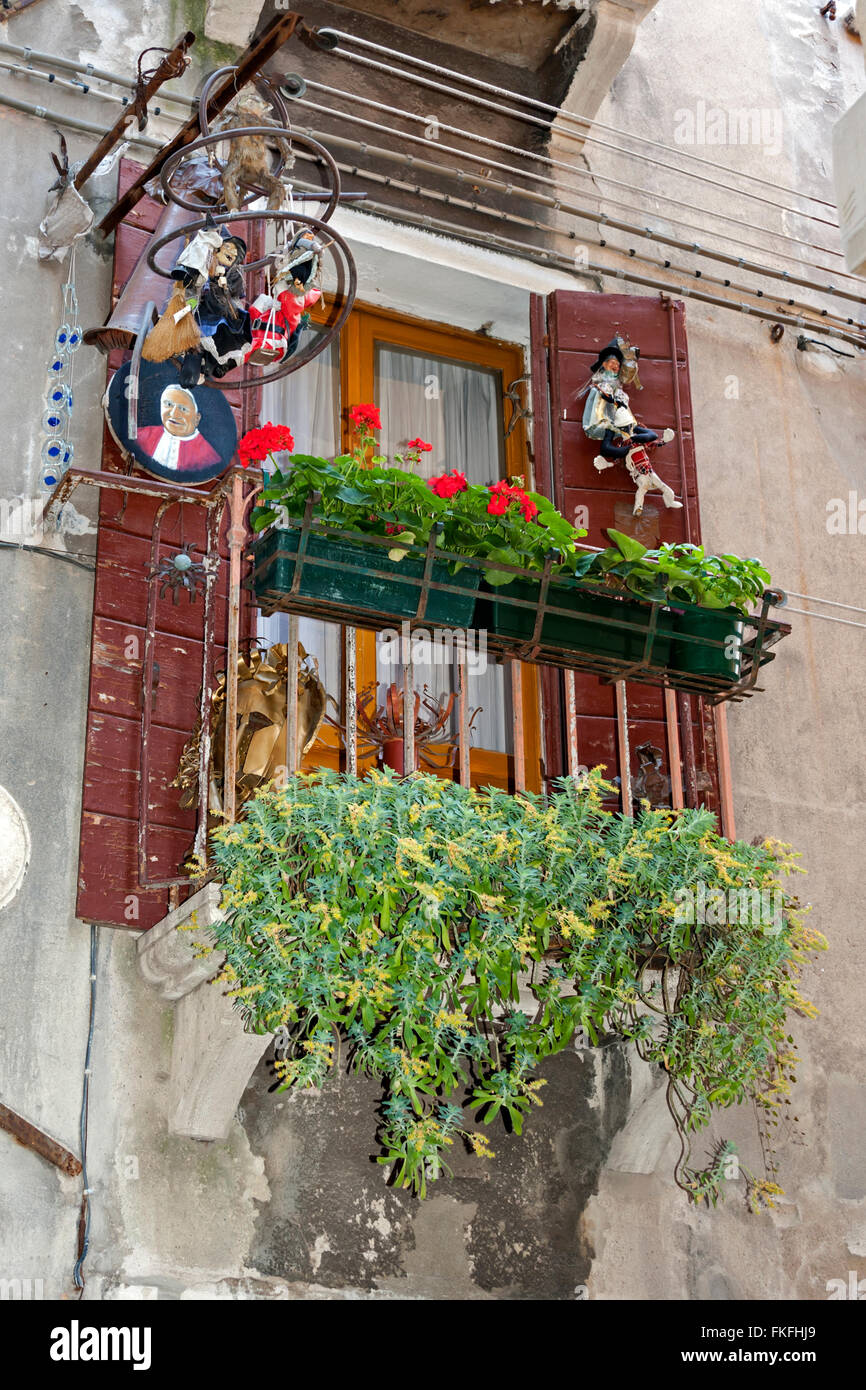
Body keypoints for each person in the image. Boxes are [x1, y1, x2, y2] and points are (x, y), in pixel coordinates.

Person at [136, 384, 220, 471]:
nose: (173, 414)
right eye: (168, 404)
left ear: (197, 418)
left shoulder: (208, 457)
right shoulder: (141, 436)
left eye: (183, 409)